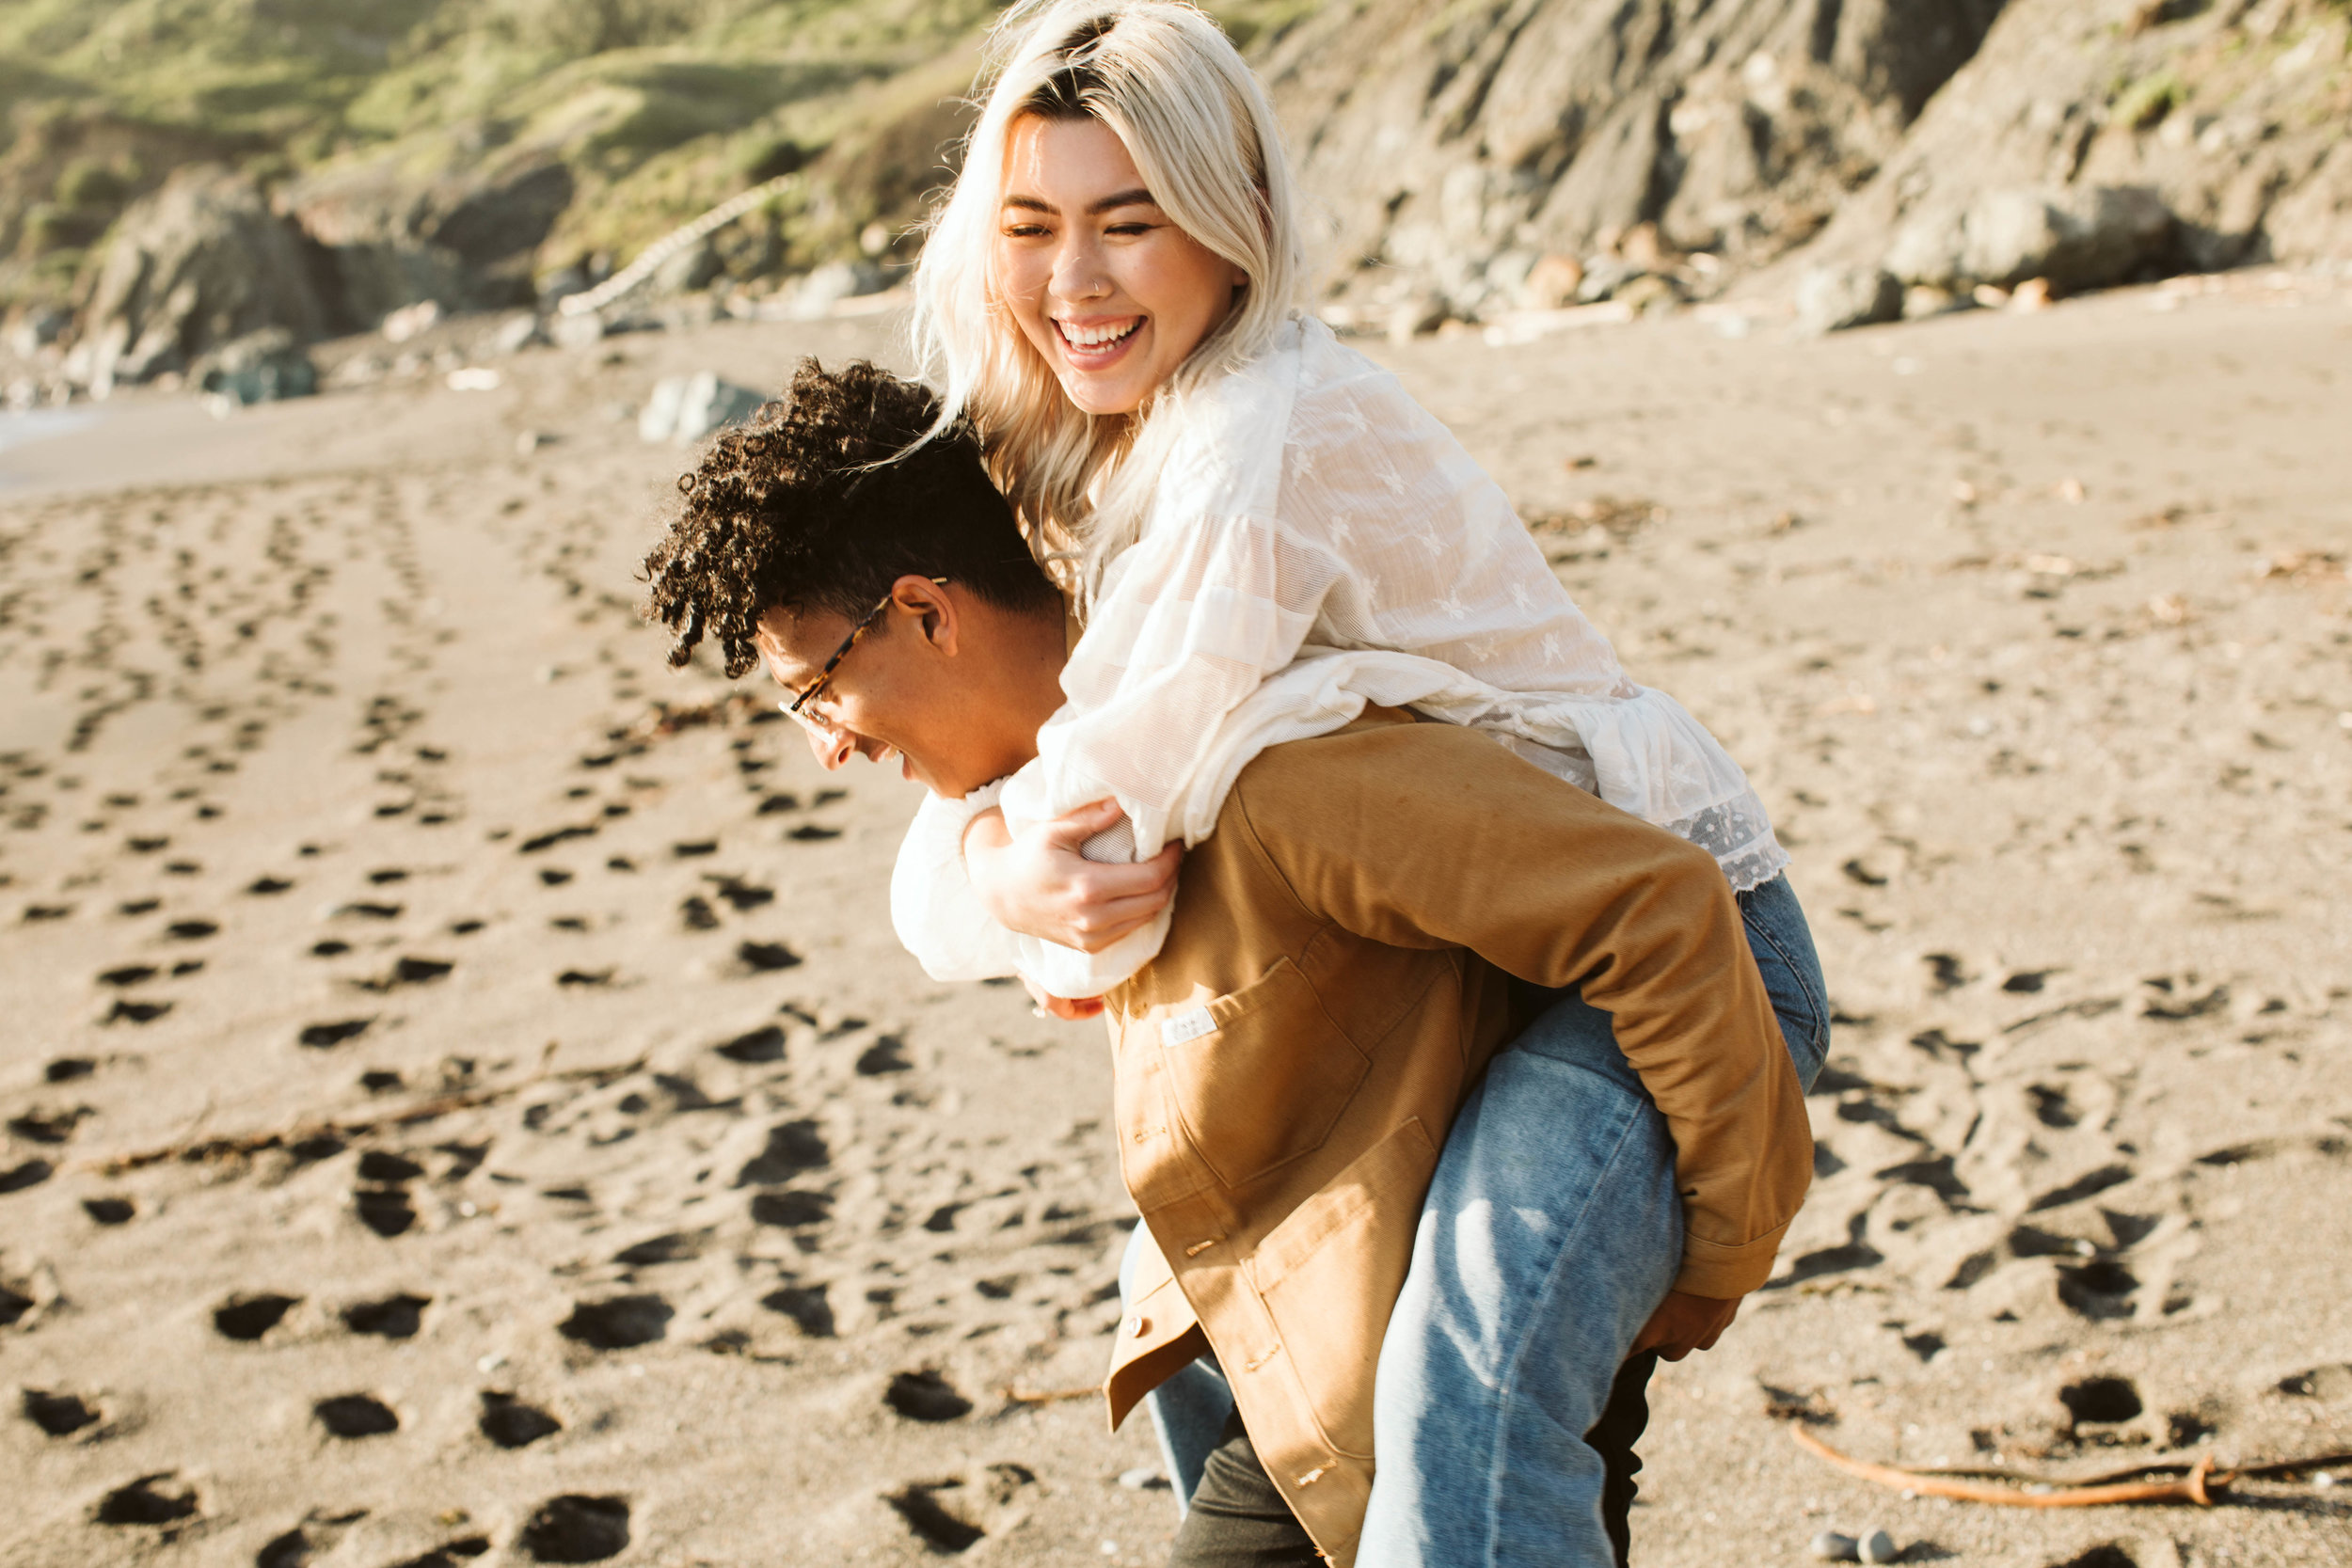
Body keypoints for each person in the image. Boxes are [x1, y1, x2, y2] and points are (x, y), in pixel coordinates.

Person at [900, 2, 1832, 1561]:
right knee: (1239, 1360)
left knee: (1462, 1412)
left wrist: (1001, 863)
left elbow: (1103, 830)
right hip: (1470, 962)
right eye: (1031, 227)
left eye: (1130, 222)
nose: (1074, 281)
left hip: (1658, 965)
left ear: (1238, 220)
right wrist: (994, 864)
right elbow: (1033, 825)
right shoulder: (1112, 443)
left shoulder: (1250, 439)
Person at [640, 362, 1822, 1566]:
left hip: (1579, 1101)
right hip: (1325, 1236)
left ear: (927, 614)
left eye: (815, 690)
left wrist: (1724, 1245)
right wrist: (994, 863)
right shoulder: (1054, 796)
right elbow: (936, 886)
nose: (827, 747)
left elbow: (1656, 905)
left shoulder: (1259, 766)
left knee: (1467, 1442)